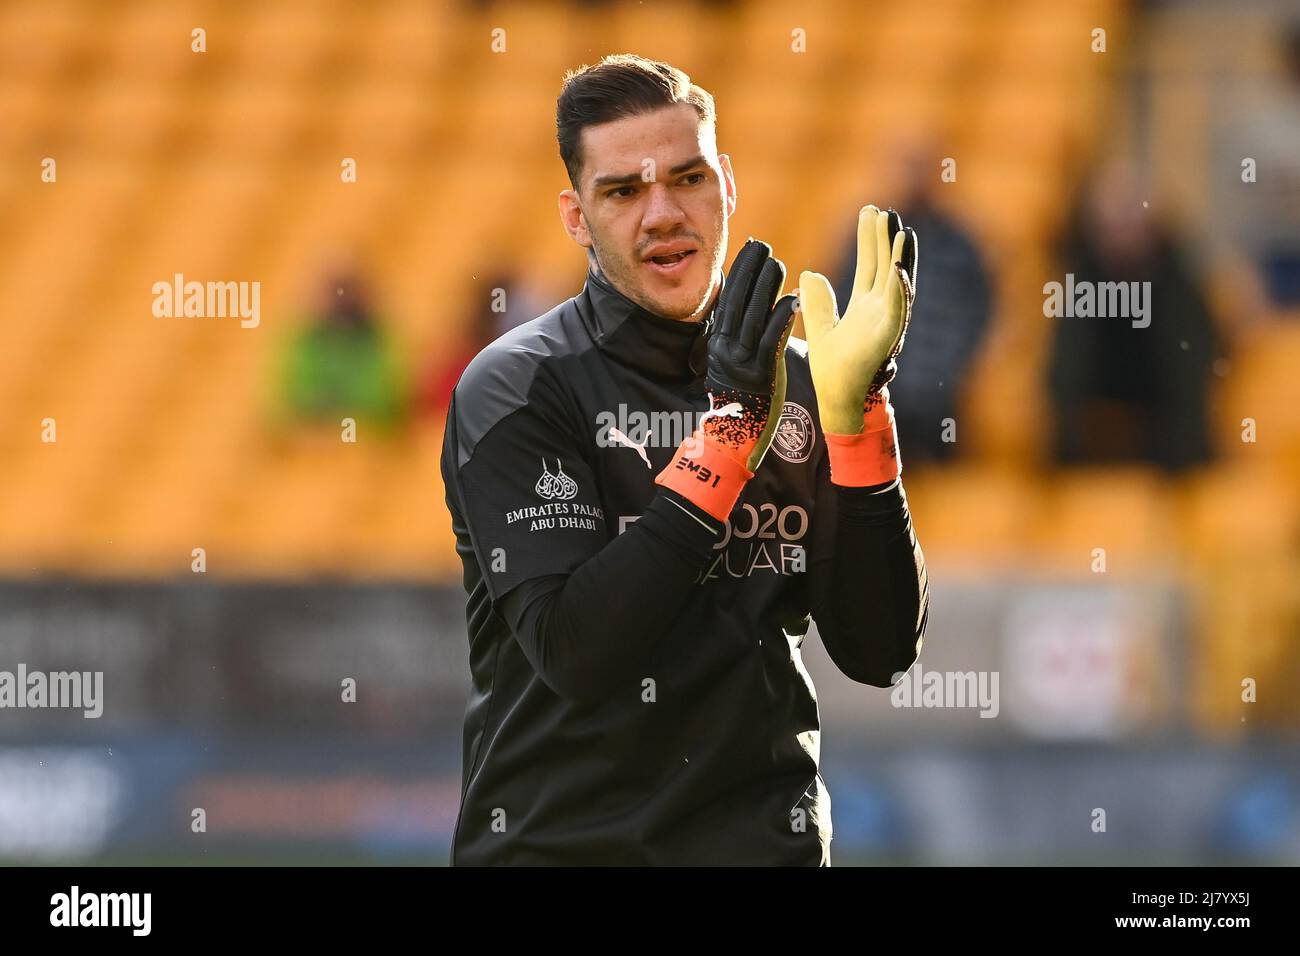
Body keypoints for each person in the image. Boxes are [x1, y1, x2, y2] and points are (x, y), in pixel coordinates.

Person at [440, 54, 928, 866]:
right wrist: (731, 434)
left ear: (726, 184)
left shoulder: (810, 384)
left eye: (687, 178)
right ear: (575, 216)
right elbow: (578, 652)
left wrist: (860, 425)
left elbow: (879, 652)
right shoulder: (519, 387)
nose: (663, 212)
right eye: (624, 191)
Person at [832, 136, 993, 464]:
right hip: (882, 393)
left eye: (922, 168)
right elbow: (843, 304)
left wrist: (956, 364)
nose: (914, 177)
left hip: (942, 397)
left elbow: (982, 310)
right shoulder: (866, 237)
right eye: (907, 167)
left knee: (944, 492)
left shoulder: (960, 241)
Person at [276, 268, 406, 431]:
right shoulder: (308, 342)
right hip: (316, 436)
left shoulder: (377, 339)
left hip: (365, 436)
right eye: (336, 290)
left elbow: (384, 394)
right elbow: (295, 393)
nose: (342, 298)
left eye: (348, 290)